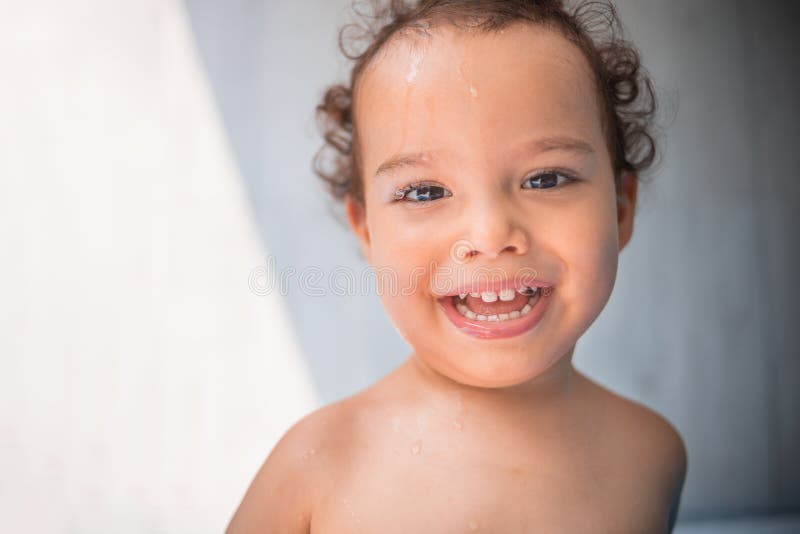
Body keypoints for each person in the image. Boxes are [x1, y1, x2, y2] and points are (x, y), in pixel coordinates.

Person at [227, 1, 687, 532]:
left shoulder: (652, 457)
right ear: (368, 232)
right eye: (425, 191)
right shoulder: (318, 467)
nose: (490, 235)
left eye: (546, 179)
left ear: (620, 209)